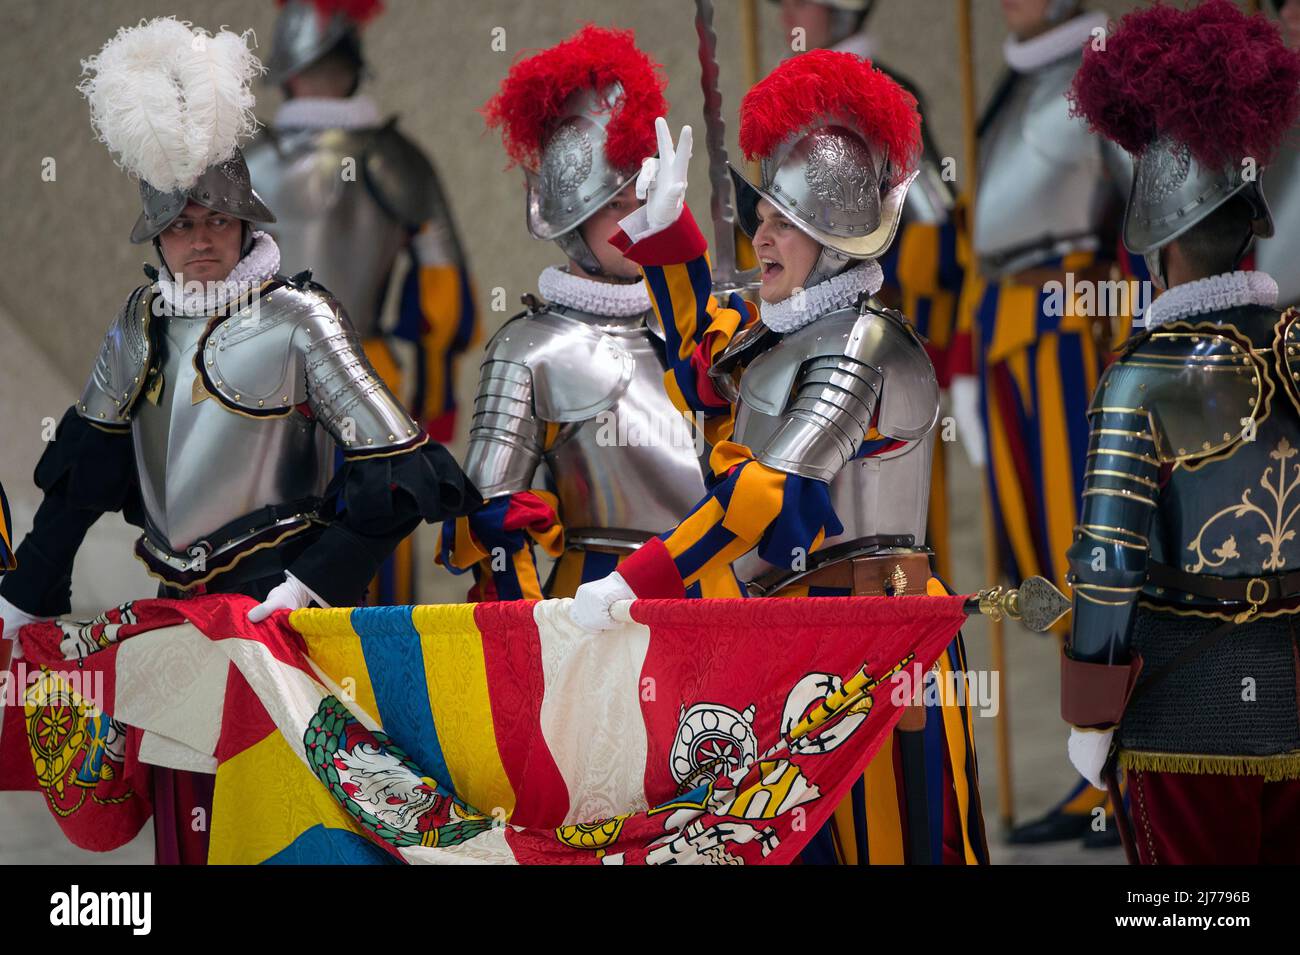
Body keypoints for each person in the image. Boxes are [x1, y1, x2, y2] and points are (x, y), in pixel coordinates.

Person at [0, 18, 476, 864]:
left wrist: (310, 583)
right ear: (158, 237)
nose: (203, 239)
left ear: (245, 217)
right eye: (181, 226)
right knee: (189, 826)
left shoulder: (297, 318)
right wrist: (30, 590)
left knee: (292, 824)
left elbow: (398, 478)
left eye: (218, 218)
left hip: (279, 621)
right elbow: (81, 474)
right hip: (173, 623)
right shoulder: (140, 323)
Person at [573, 51, 987, 864]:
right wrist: (669, 240)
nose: (759, 234)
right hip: (792, 637)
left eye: (784, 223)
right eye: (760, 214)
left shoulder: (863, 346)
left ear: (834, 241)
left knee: (886, 845)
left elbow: (765, 490)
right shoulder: (790, 329)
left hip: (872, 640)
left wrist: (637, 580)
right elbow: (705, 372)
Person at [1063, 0, 1300, 865]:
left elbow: (1108, 564)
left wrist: (1090, 712)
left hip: (1180, 707)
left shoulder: (1140, 377)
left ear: (1154, 242)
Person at [439, 25, 741, 601]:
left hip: (722, 604)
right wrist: (536, 641)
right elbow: (491, 520)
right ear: (572, 221)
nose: (632, 223)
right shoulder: (530, 348)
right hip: (597, 606)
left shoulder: (707, 326)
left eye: (643, 204)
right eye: (615, 206)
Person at [955, 0, 1142, 848]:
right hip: (1008, 328)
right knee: (1036, 550)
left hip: (1077, 328)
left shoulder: (1103, 76)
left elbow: (1147, 207)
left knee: (1088, 545)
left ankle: (1126, 769)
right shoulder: (1011, 85)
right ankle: (1090, 766)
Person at [246, 0, 480, 604]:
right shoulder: (393, 155)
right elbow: (444, 292)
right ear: (355, 61)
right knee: (373, 528)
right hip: (366, 368)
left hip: (254, 369)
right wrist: (434, 389)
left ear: (285, 70)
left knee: (260, 534)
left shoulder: (243, 161)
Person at [774, 0, 971, 579]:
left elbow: (935, 225)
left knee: (891, 534)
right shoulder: (787, 104)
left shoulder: (889, 100)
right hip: (795, 352)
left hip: (876, 347)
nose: (785, 11)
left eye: (800, 0)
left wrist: (936, 352)